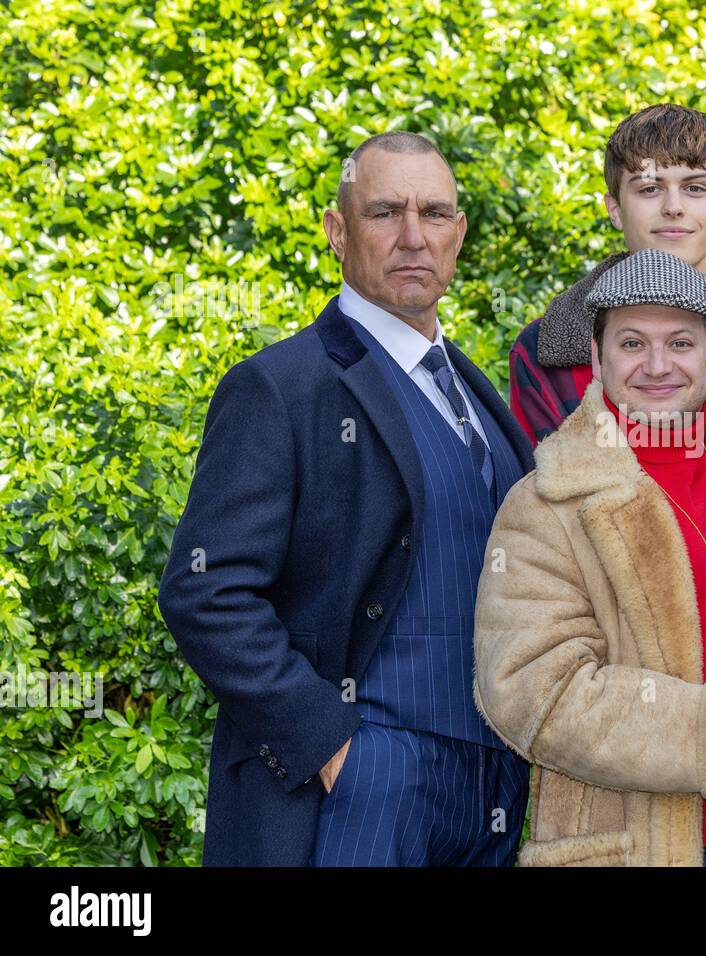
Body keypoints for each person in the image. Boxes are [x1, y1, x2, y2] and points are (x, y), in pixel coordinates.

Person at [157, 131, 532, 866]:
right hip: (362, 785)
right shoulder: (280, 386)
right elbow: (206, 592)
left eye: (435, 214)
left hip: (491, 785)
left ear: (459, 233)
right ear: (337, 231)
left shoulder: (480, 395)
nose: (413, 237)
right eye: (385, 212)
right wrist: (336, 750)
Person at [474, 248, 706, 866]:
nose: (658, 366)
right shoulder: (550, 499)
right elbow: (529, 691)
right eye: (632, 343)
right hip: (643, 847)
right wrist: (705, 733)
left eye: (681, 343)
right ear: (597, 359)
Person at [508, 103, 706, 446]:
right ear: (614, 209)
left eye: (695, 188)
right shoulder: (542, 352)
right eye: (649, 189)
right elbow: (540, 489)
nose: (673, 207)